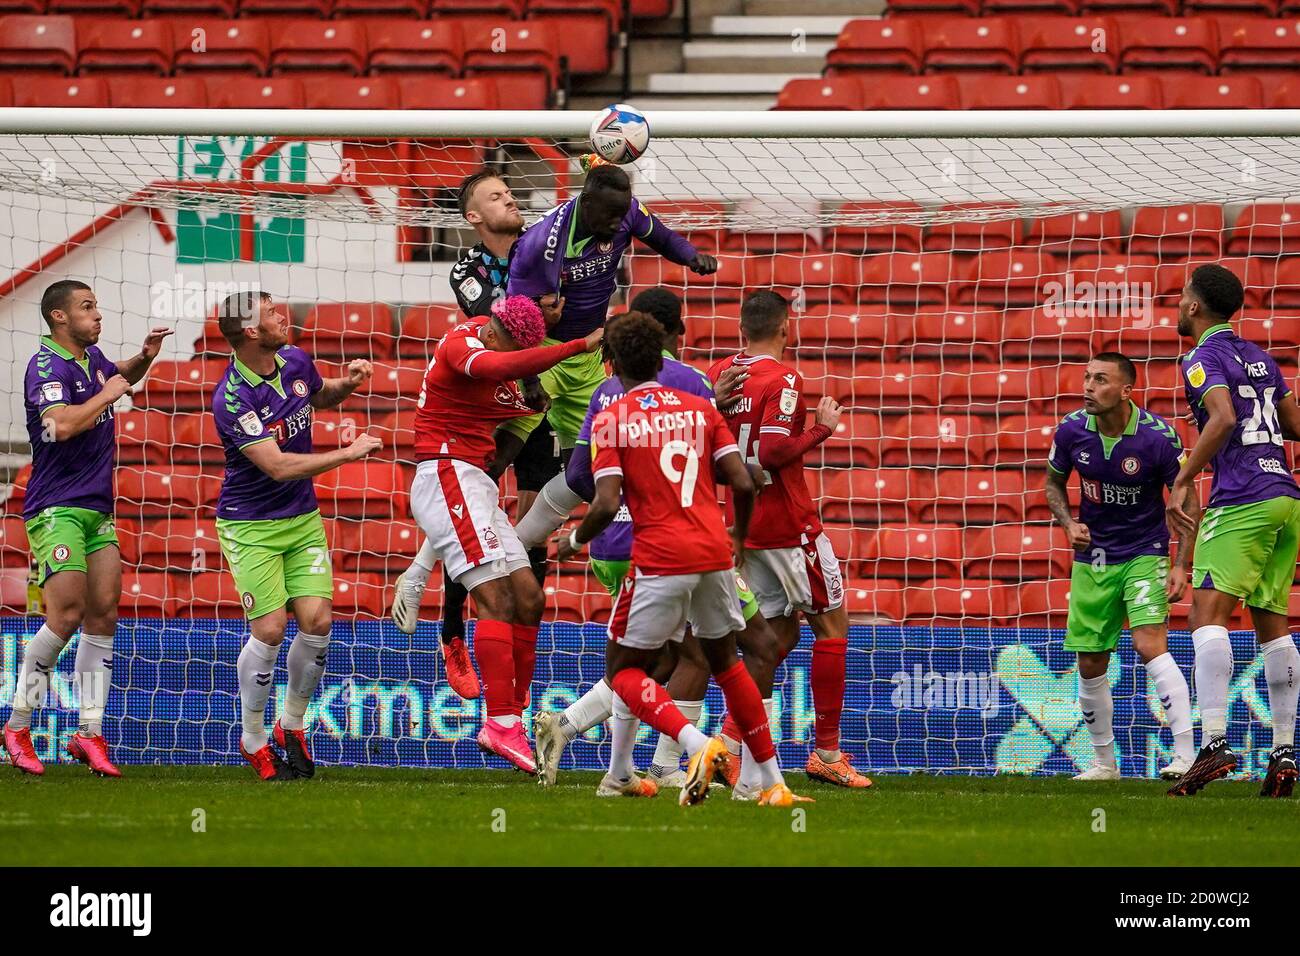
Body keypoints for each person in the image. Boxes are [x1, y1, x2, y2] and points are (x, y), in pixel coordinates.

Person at [530, 289, 779, 791]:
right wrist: (739, 534)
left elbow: (582, 478)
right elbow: (739, 475)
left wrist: (577, 538)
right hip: (694, 546)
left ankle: (610, 761)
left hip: (622, 546)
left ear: (614, 359)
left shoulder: (606, 402)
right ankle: (700, 763)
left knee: (652, 662)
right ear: (670, 335)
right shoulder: (696, 392)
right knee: (713, 655)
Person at [409, 294, 602, 774]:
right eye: (511, 347)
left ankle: (514, 715)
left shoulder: (512, 374)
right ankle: (499, 726)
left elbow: (524, 385)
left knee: (529, 599)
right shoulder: (465, 342)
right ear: (494, 330)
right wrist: (577, 345)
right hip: (445, 471)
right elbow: (504, 364)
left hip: (477, 482)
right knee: (495, 599)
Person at [391, 171, 563, 701]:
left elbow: (559, 305)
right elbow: (504, 321)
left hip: (548, 386)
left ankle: (516, 644)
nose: (510, 196)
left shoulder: (541, 245)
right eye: (495, 195)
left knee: (533, 527)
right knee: (472, 505)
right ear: (473, 217)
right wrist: (543, 319)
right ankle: (452, 634)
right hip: (500, 392)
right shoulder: (467, 270)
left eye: (510, 191)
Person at [4, 281, 172, 777]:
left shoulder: (91, 358)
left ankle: (89, 734)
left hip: (97, 509)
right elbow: (61, 425)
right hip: (55, 508)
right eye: (87, 307)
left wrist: (142, 359)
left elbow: (119, 376)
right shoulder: (46, 367)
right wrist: (109, 392)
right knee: (67, 613)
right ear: (59, 317)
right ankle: (17, 725)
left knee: (102, 616)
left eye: (95, 305)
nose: (97, 314)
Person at [211, 291, 382, 781]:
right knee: (268, 630)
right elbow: (278, 466)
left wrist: (347, 384)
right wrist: (346, 456)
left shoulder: (294, 360)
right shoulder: (233, 397)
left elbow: (318, 394)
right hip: (250, 525)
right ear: (249, 332)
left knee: (318, 621)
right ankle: (253, 738)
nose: (282, 317)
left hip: (301, 518)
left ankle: (292, 726)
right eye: (270, 313)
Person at [708, 290, 872, 791]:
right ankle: (826, 751)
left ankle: (726, 747)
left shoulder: (724, 372)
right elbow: (777, 450)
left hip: (746, 524)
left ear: (741, 330)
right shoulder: (784, 377)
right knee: (832, 627)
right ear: (785, 328)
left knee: (775, 639)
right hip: (789, 524)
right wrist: (821, 429)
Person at [1165, 263, 1300, 798]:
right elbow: (1294, 425)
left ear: (1195, 306)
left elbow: (1220, 418)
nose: (1178, 305)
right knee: (1273, 622)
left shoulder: (1202, 357)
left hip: (1243, 497)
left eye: (1182, 298)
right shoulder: (1262, 357)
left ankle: (1215, 743)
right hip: (1286, 498)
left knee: (1206, 614)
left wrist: (1182, 476)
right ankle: (1285, 752)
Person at [1045, 352, 1197, 781]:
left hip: (1145, 552)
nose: (1088, 386)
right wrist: (1067, 521)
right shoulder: (1072, 430)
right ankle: (1105, 764)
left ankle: (1186, 756)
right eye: (1086, 377)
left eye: (1100, 379)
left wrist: (1181, 563)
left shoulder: (1159, 438)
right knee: (1091, 662)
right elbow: (1053, 481)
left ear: (1126, 390)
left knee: (1150, 644)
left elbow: (1188, 497)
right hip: (1093, 557)